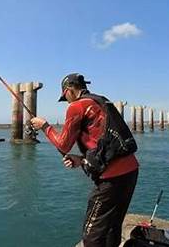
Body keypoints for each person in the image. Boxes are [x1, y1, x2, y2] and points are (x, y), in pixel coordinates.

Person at [31, 73, 139, 247]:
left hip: (111, 179)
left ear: (69, 91)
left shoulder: (77, 106)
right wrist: (81, 160)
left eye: (65, 97)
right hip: (131, 171)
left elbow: (64, 145)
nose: (66, 101)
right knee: (112, 226)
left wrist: (44, 126)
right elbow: (105, 145)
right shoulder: (102, 101)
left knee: (91, 235)